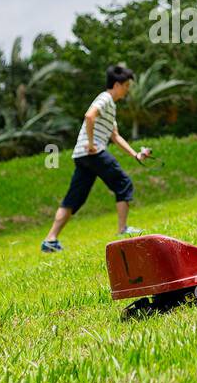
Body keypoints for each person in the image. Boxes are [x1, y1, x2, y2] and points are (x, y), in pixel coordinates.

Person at [40, 64, 149, 253]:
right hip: (93, 152)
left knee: (74, 199)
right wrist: (91, 144)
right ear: (117, 85)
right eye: (126, 86)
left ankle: (50, 239)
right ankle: (123, 230)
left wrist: (135, 155)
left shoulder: (110, 106)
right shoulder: (105, 98)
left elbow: (115, 136)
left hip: (82, 156)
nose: (127, 90)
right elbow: (89, 116)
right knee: (123, 182)